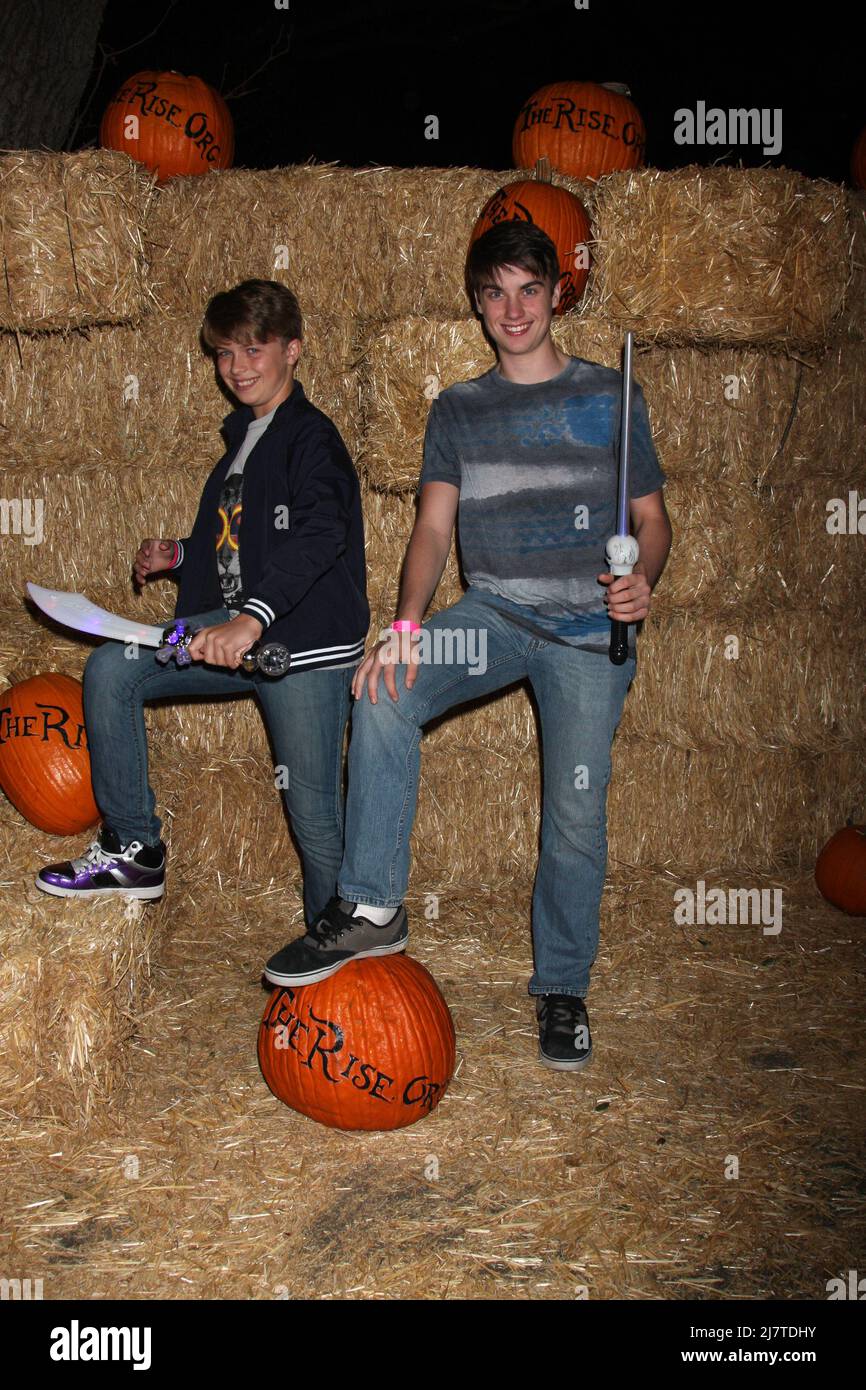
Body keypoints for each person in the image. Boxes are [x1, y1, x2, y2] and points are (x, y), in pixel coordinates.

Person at [264, 221, 672, 1072]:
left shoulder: (613, 397)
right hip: (493, 615)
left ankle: (562, 989)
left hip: (590, 634)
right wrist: (406, 625)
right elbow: (432, 529)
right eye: (495, 293)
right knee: (382, 687)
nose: (512, 309)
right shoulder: (458, 407)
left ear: (557, 293)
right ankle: (373, 906)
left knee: (573, 815)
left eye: (529, 289)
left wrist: (645, 583)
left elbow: (652, 525)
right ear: (478, 305)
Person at [35, 279, 368, 932]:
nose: (238, 368)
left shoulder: (311, 438)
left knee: (315, 820)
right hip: (243, 624)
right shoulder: (242, 440)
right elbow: (243, 546)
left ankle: (338, 955)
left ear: (293, 351)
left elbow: (320, 533)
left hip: (302, 645)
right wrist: (183, 558)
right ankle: (135, 848)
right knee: (114, 667)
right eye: (224, 354)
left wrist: (251, 619)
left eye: (254, 349)